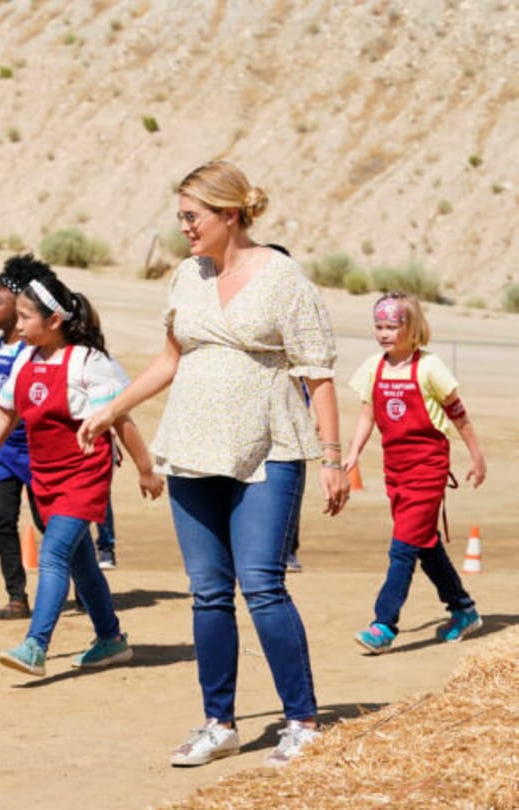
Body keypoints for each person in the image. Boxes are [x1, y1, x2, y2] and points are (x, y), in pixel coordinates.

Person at [78, 161, 347, 768]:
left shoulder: (283, 278)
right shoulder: (186, 276)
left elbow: (319, 374)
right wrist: (109, 410)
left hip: (267, 449)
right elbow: (168, 358)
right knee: (206, 594)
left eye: (192, 218)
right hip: (193, 448)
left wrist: (332, 459)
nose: (184, 230)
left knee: (262, 585)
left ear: (230, 215)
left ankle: (302, 721)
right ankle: (218, 722)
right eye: (180, 219)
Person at [0, 260, 163, 679]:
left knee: (53, 554)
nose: (17, 326)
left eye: (24, 316)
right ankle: (110, 640)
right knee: (82, 562)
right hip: (46, 476)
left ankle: (35, 646)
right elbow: (4, 414)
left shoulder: (87, 361)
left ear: (54, 320)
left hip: (84, 475)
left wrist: (146, 469)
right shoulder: (25, 359)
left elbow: (121, 419)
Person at [344, 292, 487, 653]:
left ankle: (383, 624)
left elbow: (459, 416)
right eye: (379, 326)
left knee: (403, 548)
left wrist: (477, 457)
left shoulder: (430, 368)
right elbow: (368, 415)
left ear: (412, 327)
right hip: (396, 470)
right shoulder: (373, 368)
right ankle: (464, 609)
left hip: (428, 469)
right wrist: (353, 452)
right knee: (425, 543)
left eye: (392, 326)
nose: (384, 333)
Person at [0, 258, 44, 619]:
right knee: (3, 520)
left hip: (36, 450)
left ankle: (82, 586)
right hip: (4, 454)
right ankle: (16, 597)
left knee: (49, 523)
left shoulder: (35, 349)